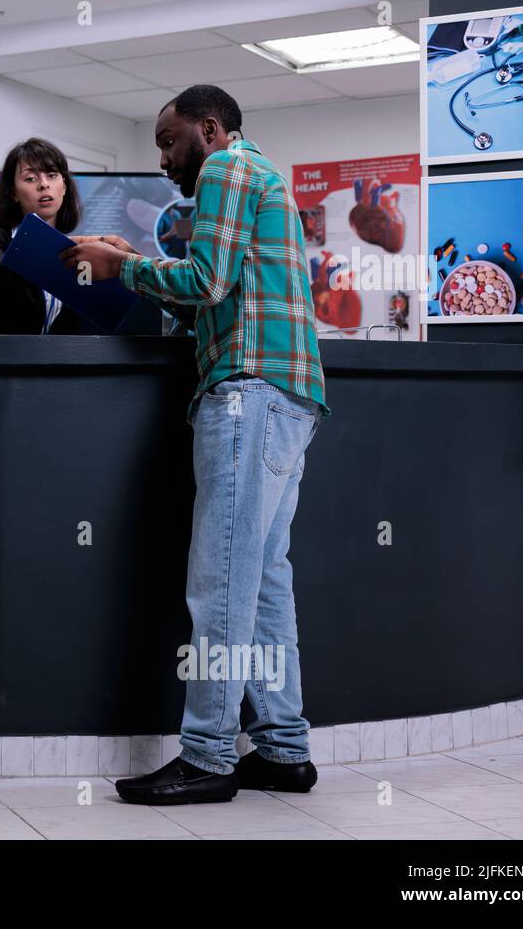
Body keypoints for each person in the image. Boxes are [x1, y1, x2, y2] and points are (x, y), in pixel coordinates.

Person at [62, 85, 330, 805]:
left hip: (248, 393)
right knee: (264, 580)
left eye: (169, 139)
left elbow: (207, 282)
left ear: (209, 130)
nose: (163, 158)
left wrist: (120, 268)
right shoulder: (258, 173)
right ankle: (282, 749)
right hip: (288, 395)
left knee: (221, 579)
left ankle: (209, 755)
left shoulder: (224, 170)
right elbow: (221, 289)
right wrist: (132, 261)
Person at [0, 137, 102, 334]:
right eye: (30, 178)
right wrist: (41, 241)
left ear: (64, 187)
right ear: (13, 192)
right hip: (8, 360)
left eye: (52, 175)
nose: (44, 185)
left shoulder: (76, 253)